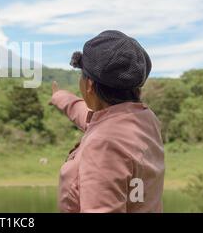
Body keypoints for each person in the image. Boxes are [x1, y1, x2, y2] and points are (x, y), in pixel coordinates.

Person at [49, 30, 164, 213]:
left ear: (89, 85)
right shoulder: (143, 120)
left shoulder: (104, 142)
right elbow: (89, 117)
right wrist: (60, 97)